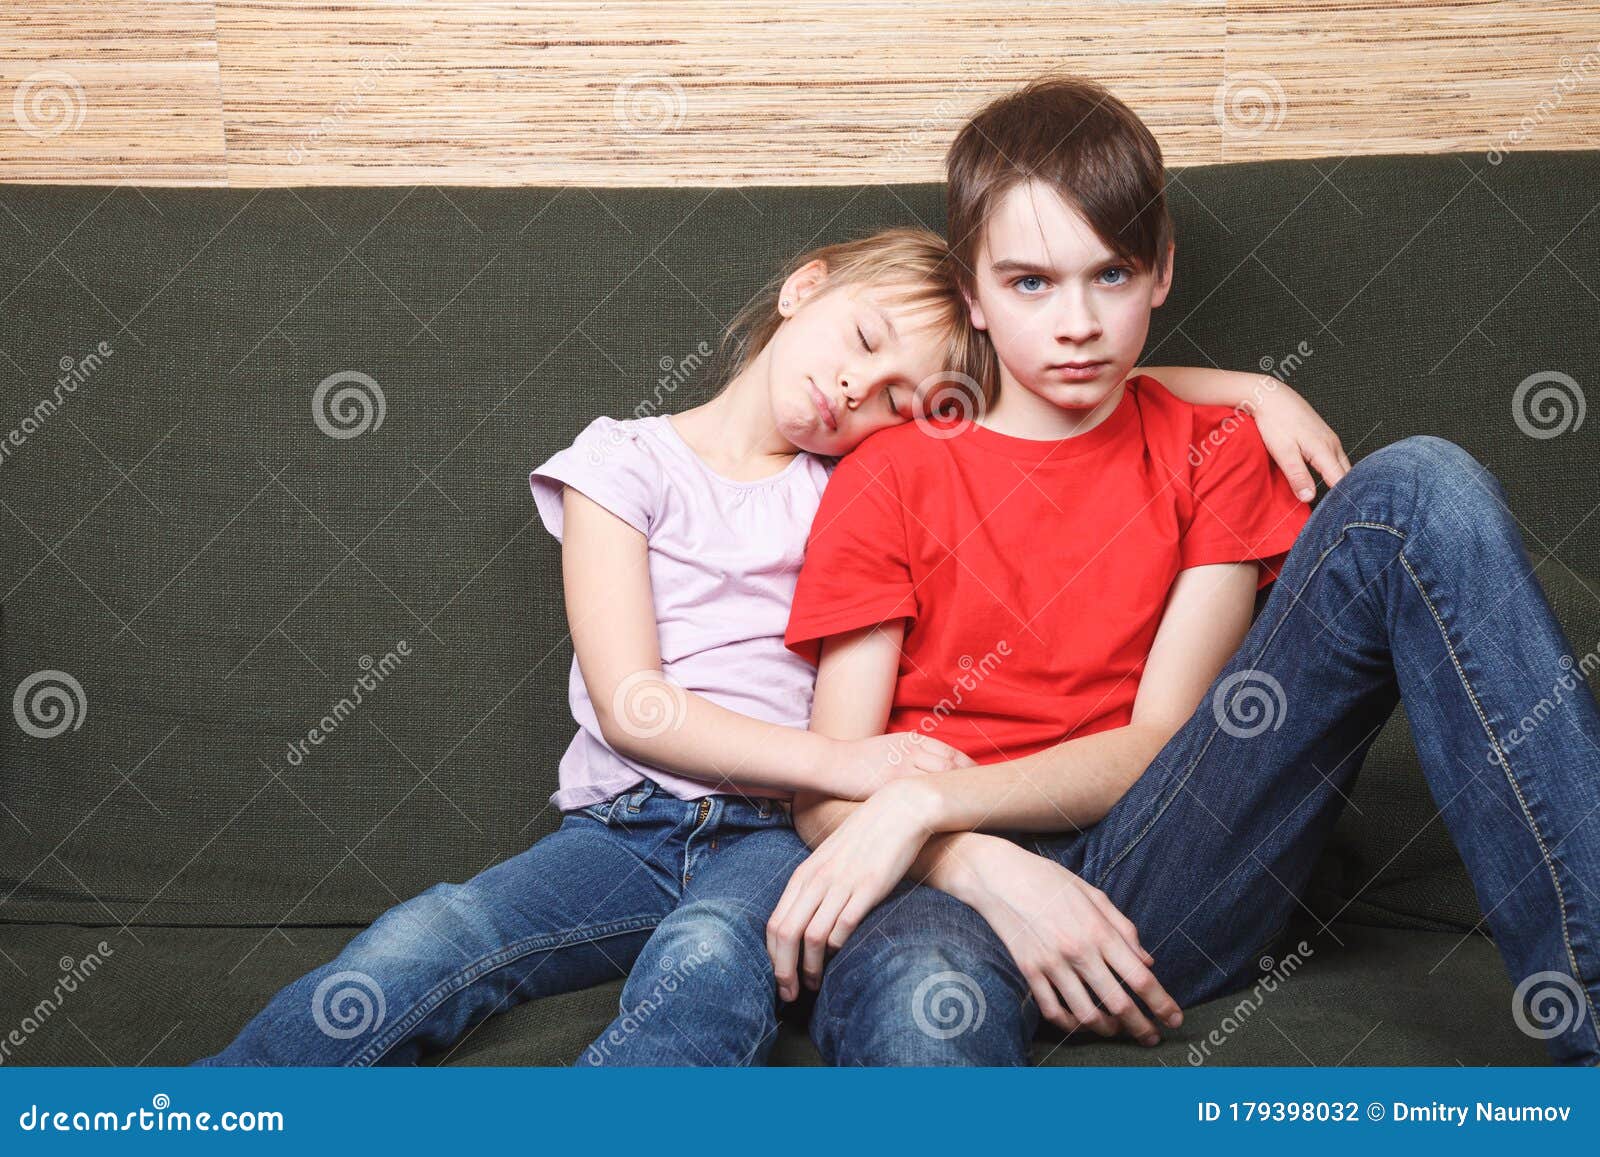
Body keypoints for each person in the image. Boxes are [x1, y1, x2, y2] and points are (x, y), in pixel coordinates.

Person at [192, 225, 1348, 1067]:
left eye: (899, 393)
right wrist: (854, 766)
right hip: (628, 821)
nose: (856, 388)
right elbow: (635, 706)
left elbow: (1066, 392)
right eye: (859, 340)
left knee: (704, 965)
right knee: (435, 929)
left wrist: (1246, 390)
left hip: (780, 845)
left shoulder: (869, 481)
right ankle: (212, 1106)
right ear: (805, 288)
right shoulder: (625, 462)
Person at [764, 76, 1600, 1068]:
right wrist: (967, 854)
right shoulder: (893, 472)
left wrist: (932, 799)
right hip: (948, 889)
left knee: (1421, 485)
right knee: (918, 1001)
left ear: (1160, 271)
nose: (1075, 323)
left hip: (1168, 859)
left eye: (1108, 276)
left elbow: (1159, 740)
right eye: (1029, 282)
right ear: (973, 294)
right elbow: (828, 789)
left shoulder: (1215, 451)